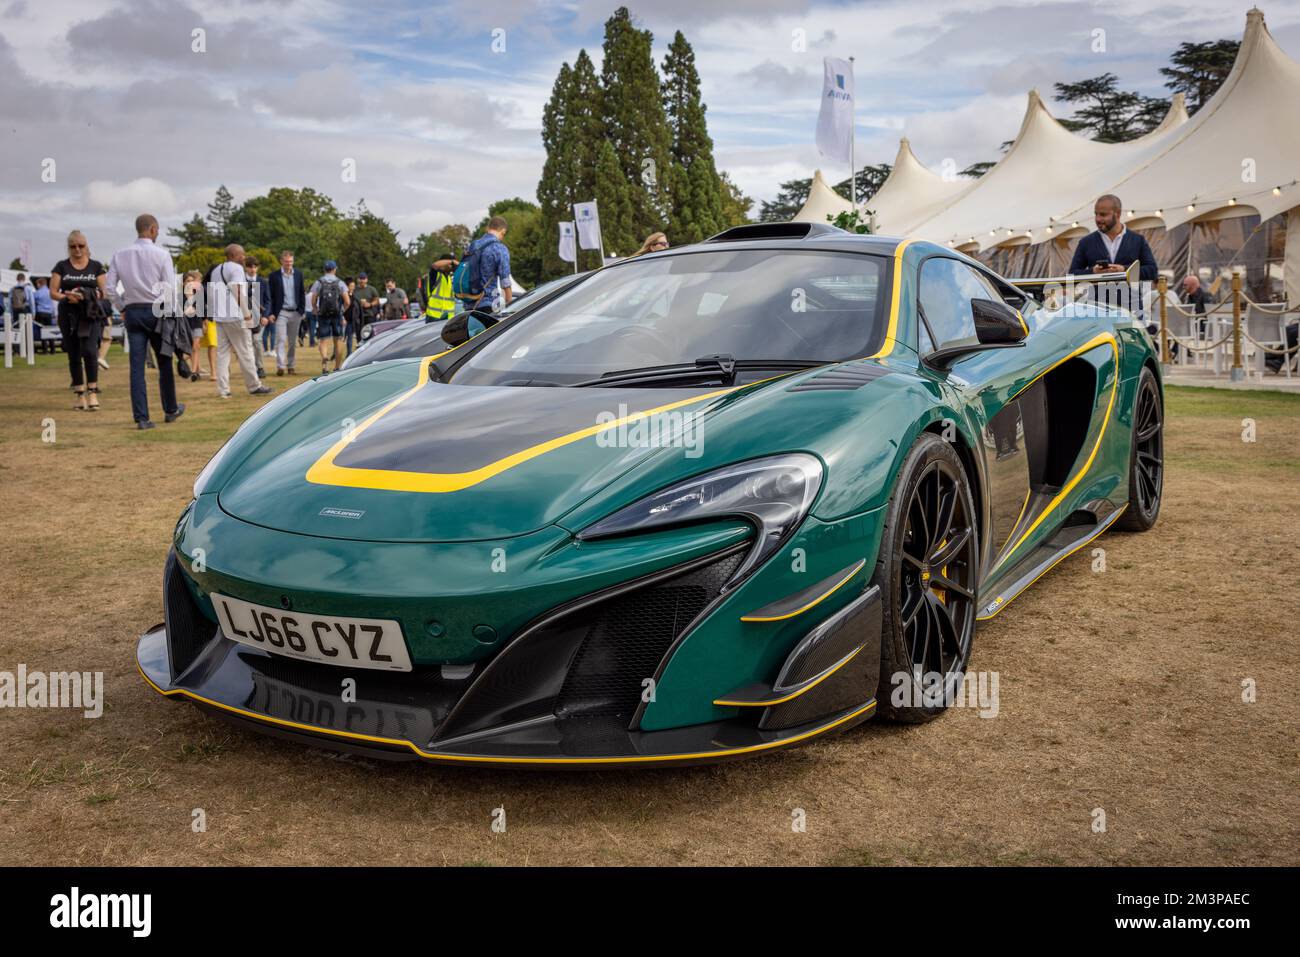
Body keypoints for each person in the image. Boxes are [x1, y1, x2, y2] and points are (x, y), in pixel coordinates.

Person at [106, 214, 183, 429]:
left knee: (137, 367)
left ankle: (142, 417)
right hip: (157, 310)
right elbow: (168, 289)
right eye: (157, 230)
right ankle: (170, 409)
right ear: (151, 229)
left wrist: (122, 307)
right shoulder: (162, 254)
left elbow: (110, 288)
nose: (157, 233)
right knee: (164, 361)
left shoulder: (120, 254)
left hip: (132, 311)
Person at [50, 234, 107, 411]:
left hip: (89, 314)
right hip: (68, 314)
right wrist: (68, 297)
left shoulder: (96, 266)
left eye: (81, 246)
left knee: (90, 351)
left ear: (86, 245)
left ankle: (93, 392)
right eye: (73, 246)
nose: (77, 249)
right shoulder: (61, 266)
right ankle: (80, 394)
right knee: (73, 353)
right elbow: (53, 292)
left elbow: (104, 292)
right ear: (69, 247)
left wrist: (88, 296)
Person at [210, 243, 274, 399]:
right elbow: (237, 290)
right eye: (241, 254)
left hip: (220, 316)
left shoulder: (216, 270)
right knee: (246, 351)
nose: (244, 257)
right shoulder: (237, 269)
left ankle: (223, 390)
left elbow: (212, 292)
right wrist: (247, 314)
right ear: (233, 255)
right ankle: (254, 386)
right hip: (236, 316)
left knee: (222, 354)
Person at [1068, 194, 1159, 281]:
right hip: (1097, 297)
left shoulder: (1138, 240)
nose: (1098, 219)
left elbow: (1152, 271)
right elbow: (1072, 275)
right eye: (1096, 214)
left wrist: (1124, 269)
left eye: (1103, 214)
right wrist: (1092, 272)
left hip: (1131, 297)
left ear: (1118, 214)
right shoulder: (1086, 242)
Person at [460, 216, 512, 313]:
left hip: (469, 304)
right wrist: (510, 304)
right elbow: (505, 281)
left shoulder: (473, 245)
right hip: (487, 304)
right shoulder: (500, 248)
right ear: (503, 231)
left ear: (488, 228)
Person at [308, 260, 351, 375]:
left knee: (323, 340)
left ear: (324, 269)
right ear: (335, 269)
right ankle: (337, 366)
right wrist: (342, 311)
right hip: (336, 314)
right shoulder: (340, 283)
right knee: (338, 340)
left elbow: (313, 299)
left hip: (323, 314)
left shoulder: (319, 282)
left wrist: (316, 309)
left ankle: (325, 363)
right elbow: (347, 301)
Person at [267, 249, 305, 376]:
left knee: (293, 342)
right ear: (281, 261)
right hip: (281, 312)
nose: (289, 263)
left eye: (291, 261)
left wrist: (302, 311)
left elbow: (301, 293)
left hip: (295, 313)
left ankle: (291, 365)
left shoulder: (299, 274)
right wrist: (271, 313)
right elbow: (270, 296)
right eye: (286, 261)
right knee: (281, 339)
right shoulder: (274, 276)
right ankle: (281, 366)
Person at [182, 269, 215, 380]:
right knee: (190, 348)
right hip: (185, 325)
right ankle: (186, 364)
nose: (190, 283)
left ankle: (194, 372)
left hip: (196, 323)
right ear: (183, 283)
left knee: (196, 347)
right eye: (187, 281)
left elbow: (202, 312)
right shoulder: (179, 297)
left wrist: (204, 323)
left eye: (192, 281)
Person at [243, 254, 271, 378]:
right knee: (247, 343)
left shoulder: (263, 282)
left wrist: (265, 315)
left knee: (257, 341)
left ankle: (259, 367)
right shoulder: (241, 281)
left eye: (254, 267)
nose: (252, 269)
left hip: (260, 317)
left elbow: (268, 300)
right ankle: (251, 368)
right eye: (250, 267)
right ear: (246, 268)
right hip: (245, 317)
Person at [417, 254, 457, 322]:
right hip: (435, 316)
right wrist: (452, 261)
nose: (452, 267)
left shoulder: (449, 278)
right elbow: (434, 265)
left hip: (448, 317)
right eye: (450, 264)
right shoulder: (435, 274)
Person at [31, 277, 56, 353]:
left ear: (40, 284)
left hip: (40, 313)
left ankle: (45, 350)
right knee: (50, 331)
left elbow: (32, 302)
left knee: (42, 331)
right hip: (49, 314)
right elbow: (53, 304)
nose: (37, 285)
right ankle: (53, 349)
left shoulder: (37, 293)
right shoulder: (50, 292)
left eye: (37, 284)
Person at [343, 277, 362, 355]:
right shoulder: (343, 296)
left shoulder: (354, 296)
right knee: (342, 338)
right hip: (345, 320)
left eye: (354, 285)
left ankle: (349, 353)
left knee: (350, 338)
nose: (353, 287)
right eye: (351, 286)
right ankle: (336, 353)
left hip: (352, 320)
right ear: (347, 286)